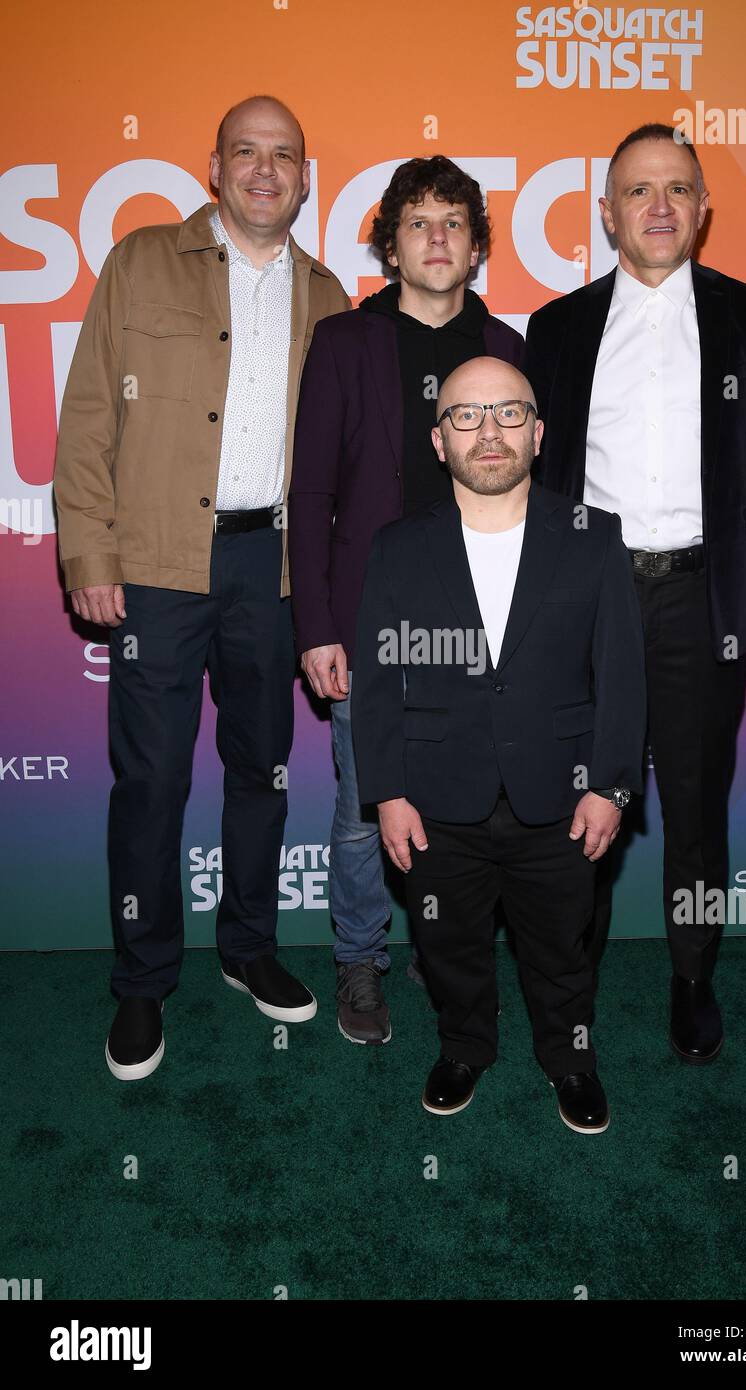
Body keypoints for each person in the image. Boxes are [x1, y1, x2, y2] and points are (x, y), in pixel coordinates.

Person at [54, 95, 350, 1080]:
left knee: (262, 768)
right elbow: (90, 413)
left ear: (304, 178)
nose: (266, 171)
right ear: (213, 167)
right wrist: (90, 555)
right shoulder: (141, 261)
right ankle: (142, 982)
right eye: (246, 153)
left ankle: (248, 945)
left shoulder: (329, 297)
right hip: (158, 565)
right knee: (151, 782)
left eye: (284, 157)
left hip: (270, 571)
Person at [524, 123, 746, 1063]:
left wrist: (722, 544)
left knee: (694, 808)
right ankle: (574, 979)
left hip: (698, 600)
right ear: (605, 212)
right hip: (589, 601)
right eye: (637, 190)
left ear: (701, 210)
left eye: (676, 189)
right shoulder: (556, 329)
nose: (657, 206)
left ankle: (692, 978)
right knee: (580, 802)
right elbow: (543, 470)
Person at [350, 357, 646, 1131]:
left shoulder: (592, 537)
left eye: (509, 413)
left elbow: (622, 673)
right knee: (448, 944)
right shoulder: (396, 547)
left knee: (561, 949)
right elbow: (377, 685)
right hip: (436, 792)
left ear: (538, 433)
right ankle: (463, 1047)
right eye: (466, 415)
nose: (488, 431)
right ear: (439, 440)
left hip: (563, 788)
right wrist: (386, 792)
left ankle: (569, 1058)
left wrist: (611, 786)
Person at [288, 157, 524, 1045]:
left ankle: (447, 951)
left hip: (485, 631)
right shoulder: (345, 342)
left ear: (475, 244)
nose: (436, 237)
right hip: (367, 626)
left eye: (453, 222)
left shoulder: (507, 354)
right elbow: (310, 494)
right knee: (362, 812)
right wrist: (316, 626)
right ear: (389, 241)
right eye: (417, 221)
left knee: (466, 804)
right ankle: (359, 961)